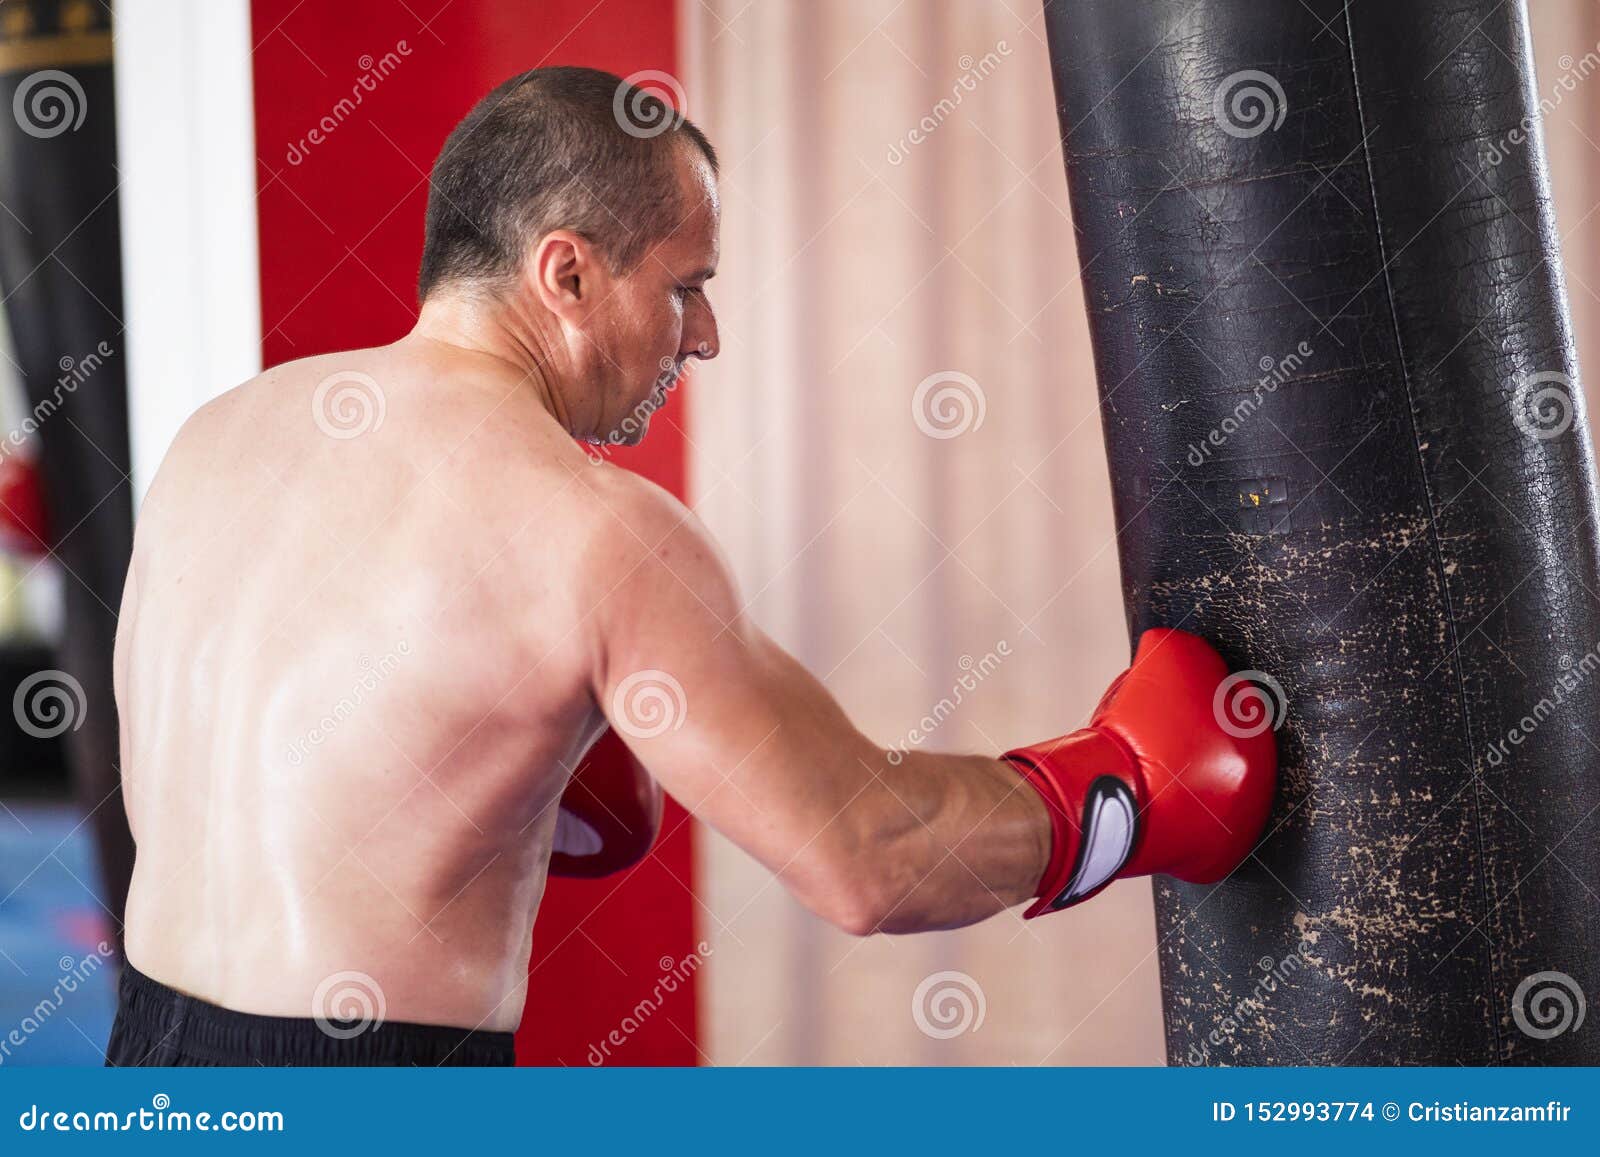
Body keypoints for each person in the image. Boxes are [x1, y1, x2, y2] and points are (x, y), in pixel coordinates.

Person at [105, 66, 1277, 1067]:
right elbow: (871, 855)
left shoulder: (221, 432)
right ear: (565, 273)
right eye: (685, 287)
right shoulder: (594, 531)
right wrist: (1122, 791)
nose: (703, 336)